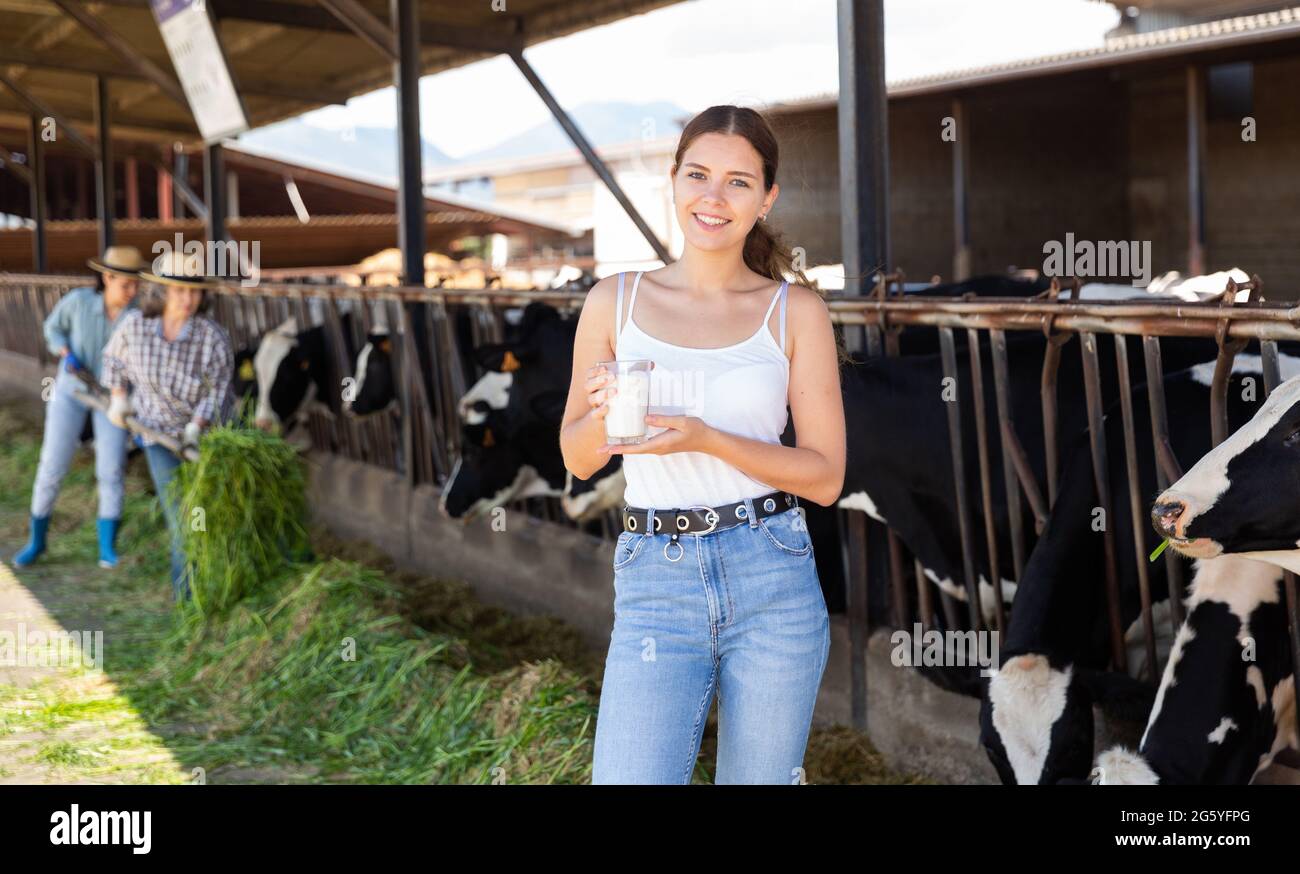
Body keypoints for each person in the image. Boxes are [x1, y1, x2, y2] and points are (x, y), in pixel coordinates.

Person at [559, 106, 849, 784]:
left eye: (738, 182)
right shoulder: (615, 302)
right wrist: (611, 417)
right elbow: (576, 458)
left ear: (766, 197)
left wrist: (705, 437)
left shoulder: (795, 311)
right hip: (655, 576)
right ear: (674, 181)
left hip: (771, 569)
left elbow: (825, 476)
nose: (713, 198)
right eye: (698, 175)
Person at [101, 250, 234, 600]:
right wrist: (119, 397)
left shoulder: (212, 338)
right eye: (179, 291)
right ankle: (186, 603)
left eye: (194, 291)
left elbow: (217, 390)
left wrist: (197, 426)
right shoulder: (135, 327)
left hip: (205, 437)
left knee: (205, 513)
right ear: (163, 291)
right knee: (183, 518)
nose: (187, 299)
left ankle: (216, 582)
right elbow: (113, 361)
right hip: (158, 437)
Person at [13, 246, 144, 570]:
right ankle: (36, 541)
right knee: (52, 463)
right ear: (107, 277)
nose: (132, 291)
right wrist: (64, 350)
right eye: (126, 284)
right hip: (71, 390)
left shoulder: (136, 318)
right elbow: (51, 329)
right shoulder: (78, 303)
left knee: (111, 468)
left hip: (111, 398)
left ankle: (106, 549)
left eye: (136, 285)